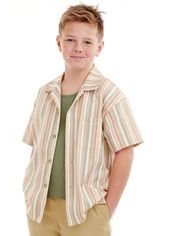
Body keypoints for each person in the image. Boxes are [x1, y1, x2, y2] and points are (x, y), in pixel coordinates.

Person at [21, 3, 144, 236]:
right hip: (40, 210)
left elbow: (125, 151)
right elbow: (37, 147)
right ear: (59, 43)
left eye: (87, 42)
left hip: (86, 211)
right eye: (70, 40)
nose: (78, 48)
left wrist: (107, 209)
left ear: (99, 47)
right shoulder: (44, 93)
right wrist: (30, 192)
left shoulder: (109, 94)